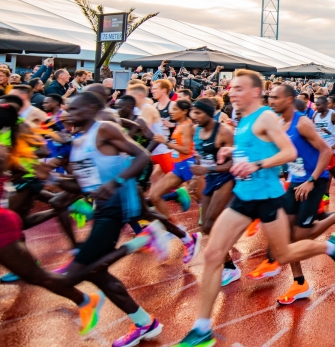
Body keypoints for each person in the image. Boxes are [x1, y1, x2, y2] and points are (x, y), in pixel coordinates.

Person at [173, 70, 335, 347]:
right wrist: (231, 153)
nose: (232, 92)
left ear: (255, 92)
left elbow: (288, 153)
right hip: (244, 196)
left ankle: (330, 247)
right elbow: (254, 149)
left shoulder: (265, 116)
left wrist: (256, 165)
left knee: (284, 253)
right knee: (213, 254)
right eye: (231, 88)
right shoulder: (242, 119)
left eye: (239, 88)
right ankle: (202, 328)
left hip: (267, 197)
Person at [61, 92, 170, 346]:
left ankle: (141, 241)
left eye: (75, 109)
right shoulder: (78, 140)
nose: (69, 113)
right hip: (102, 207)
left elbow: (142, 155)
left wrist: (115, 182)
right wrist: (49, 179)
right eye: (68, 109)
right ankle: (144, 322)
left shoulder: (104, 129)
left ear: (91, 108)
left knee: (73, 275)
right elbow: (82, 185)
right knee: (98, 273)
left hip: (116, 206)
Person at [270, 85, 335, 304]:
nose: (271, 101)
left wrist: (311, 180)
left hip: (315, 181)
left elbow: (326, 151)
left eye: (275, 97)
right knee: (287, 237)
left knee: (300, 237)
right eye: (269, 97)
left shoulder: (302, 123)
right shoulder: (279, 124)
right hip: (295, 181)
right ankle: (299, 283)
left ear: (289, 99)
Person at [189, 99, 242, 285]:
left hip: (225, 178)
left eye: (198, 113)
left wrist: (208, 169)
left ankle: (229, 266)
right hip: (210, 178)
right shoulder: (196, 131)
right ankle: (229, 264)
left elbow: (235, 160)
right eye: (193, 112)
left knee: (211, 222)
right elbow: (200, 156)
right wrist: (195, 177)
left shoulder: (224, 131)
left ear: (210, 113)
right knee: (205, 226)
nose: (194, 116)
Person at [145, 99, 202, 262]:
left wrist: (166, 142)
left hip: (188, 166)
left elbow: (185, 149)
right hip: (178, 167)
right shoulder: (178, 125)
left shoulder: (187, 126)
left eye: (175, 109)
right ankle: (174, 227)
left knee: (205, 202)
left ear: (184, 111)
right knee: (154, 196)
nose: (171, 111)